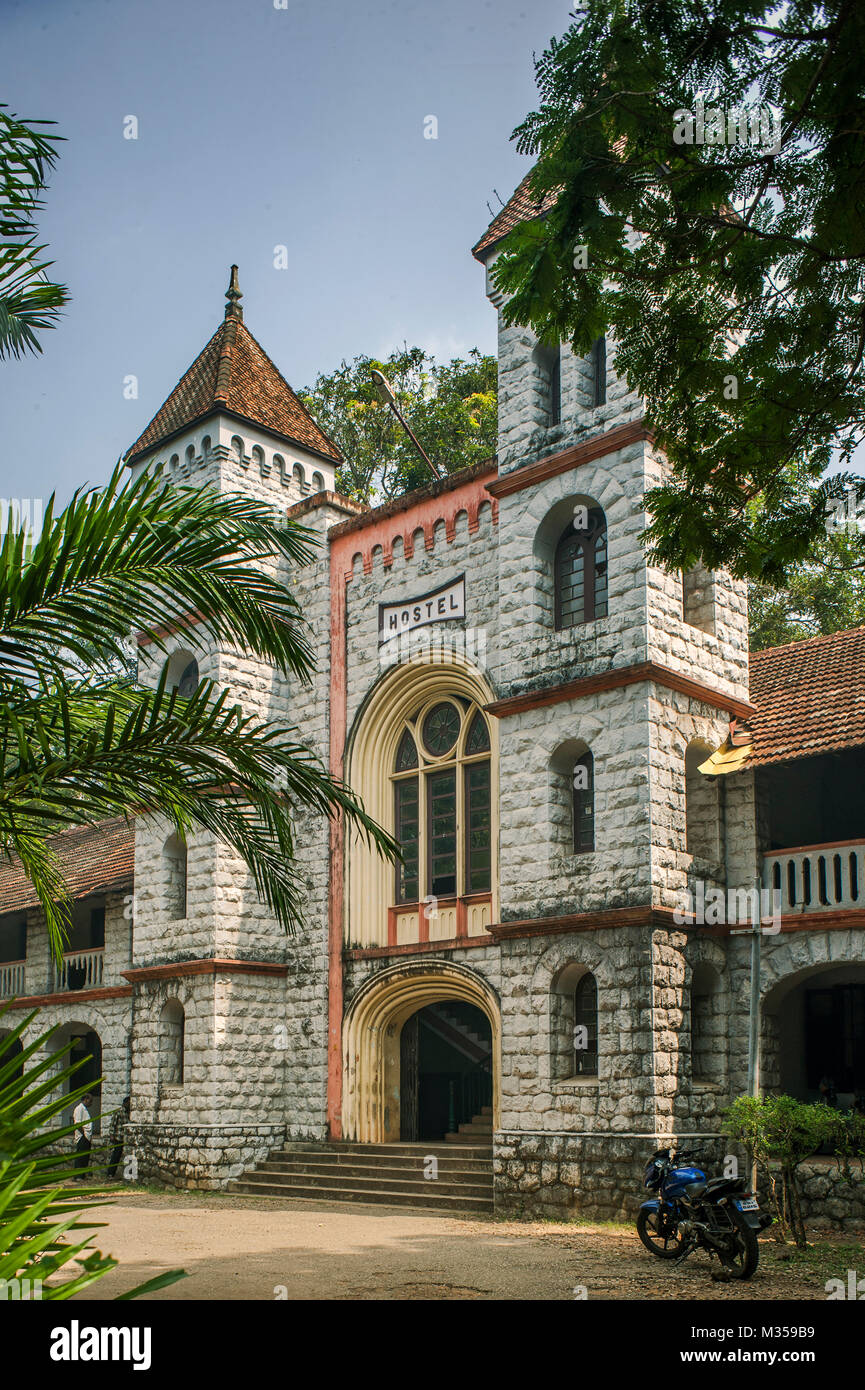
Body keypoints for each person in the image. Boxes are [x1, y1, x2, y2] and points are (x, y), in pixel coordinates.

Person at [107, 1095, 130, 1180]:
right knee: (115, 1156)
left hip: (125, 1137)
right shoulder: (119, 1112)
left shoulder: (129, 1113)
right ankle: (110, 1173)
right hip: (118, 1137)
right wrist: (112, 1135)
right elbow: (113, 1124)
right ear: (125, 1103)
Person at [72, 1092, 94, 1178]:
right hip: (82, 1136)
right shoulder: (79, 1109)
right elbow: (78, 1123)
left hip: (87, 1136)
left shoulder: (84, 1109)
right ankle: (77, 1176)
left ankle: (82, 1175)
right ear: (85, 1100)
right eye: (90, 1101)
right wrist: (84, 1134)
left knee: (85, 1157)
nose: (91, 1103)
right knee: (80, 1157)